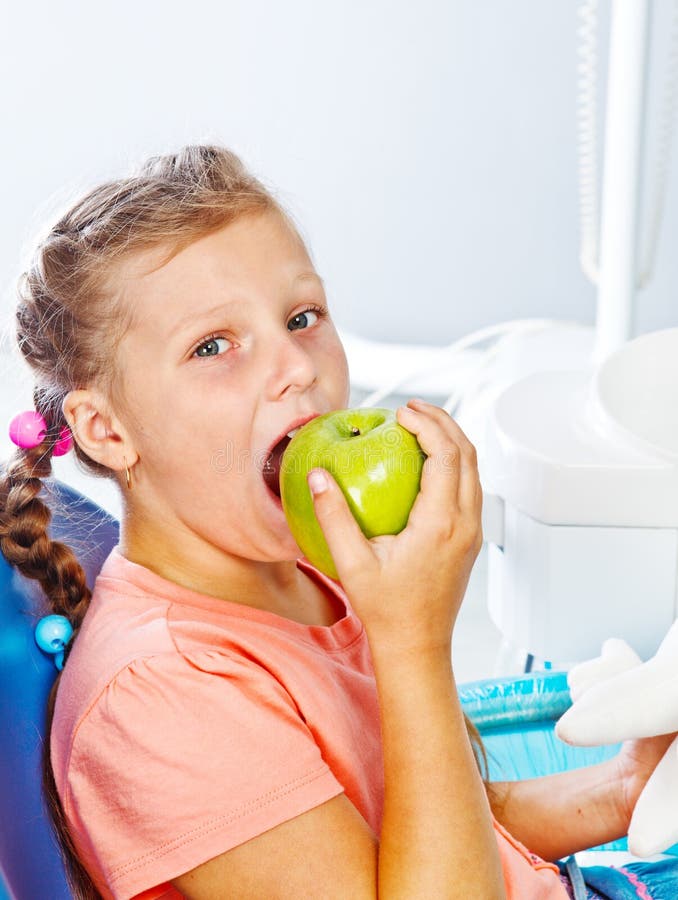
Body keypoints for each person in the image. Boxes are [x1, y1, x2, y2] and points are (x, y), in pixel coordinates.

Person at [1, 144, 676, 900]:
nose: (297, 365)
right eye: (213, 346)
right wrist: (412, 641)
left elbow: (426, 814)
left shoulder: (317, 571)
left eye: (302, 316)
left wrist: (619, 791)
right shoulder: (161, 698)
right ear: (108, 429)